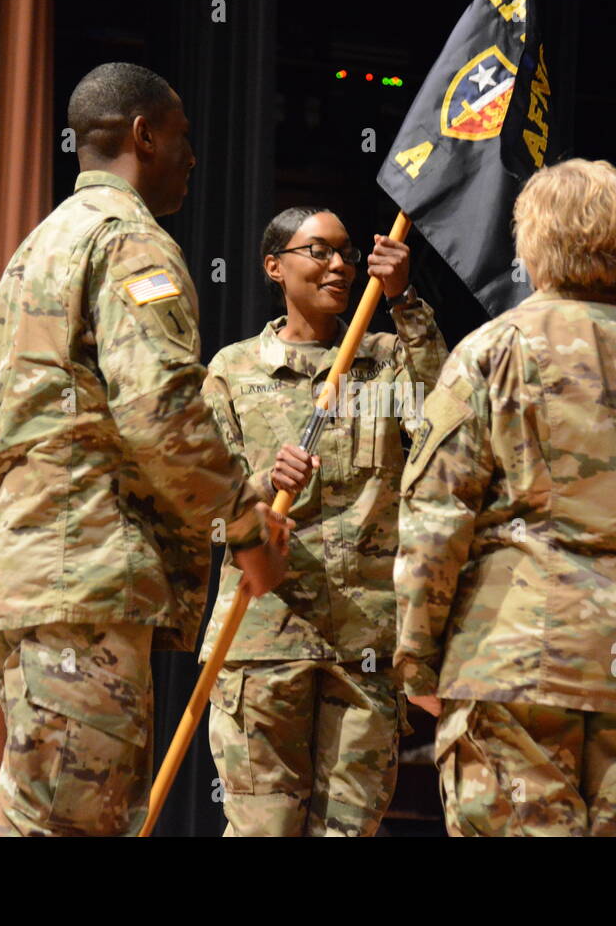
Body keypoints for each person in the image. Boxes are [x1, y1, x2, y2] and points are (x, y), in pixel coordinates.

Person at [0, 62, 290, 837]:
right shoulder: (131, 241)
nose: (192, 157)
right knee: (75, 826)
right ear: (144, 135)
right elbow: (160, 412)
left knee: (45, 818)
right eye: (182, 138)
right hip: (85, 570)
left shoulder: (32, 253)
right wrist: (246, 529)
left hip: (23, 570)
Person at [394, 158, 616, 836]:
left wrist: (416, 657)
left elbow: (436, 517)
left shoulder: (489, 352)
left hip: (516, 655)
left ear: (528, 245)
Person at [200, 206, 448, 836]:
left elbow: (447, 428)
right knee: (264, 829)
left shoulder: (386, 360)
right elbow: (198, 511)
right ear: (274, 266)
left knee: (347, 830)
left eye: (346, 253)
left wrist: (405, 298)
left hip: (363, 646)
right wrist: (259, 487)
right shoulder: (232, 372)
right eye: (319, 251)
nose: (339, 265)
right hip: (263, 643)